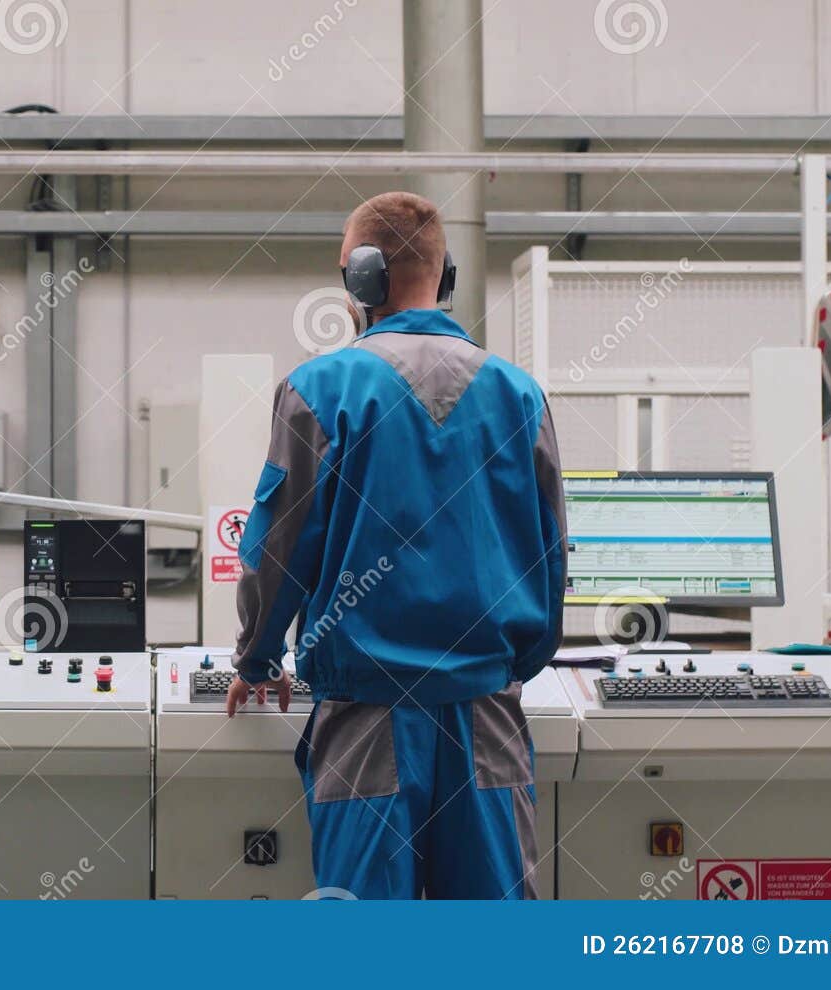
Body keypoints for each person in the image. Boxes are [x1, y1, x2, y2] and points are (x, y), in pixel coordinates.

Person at [225, 191, 567, 900]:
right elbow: (550, 555)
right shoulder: (519, 394)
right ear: (445, 277)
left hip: (367, 725)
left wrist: (256, 656)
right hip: (487, 719)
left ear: (361, 280)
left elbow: (276, 547)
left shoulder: (323, 387)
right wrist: (500, 668)